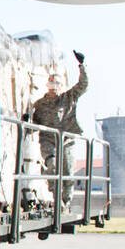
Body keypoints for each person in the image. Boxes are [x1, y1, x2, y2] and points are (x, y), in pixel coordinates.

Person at [31, 51, 88, 207]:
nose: (53, 86)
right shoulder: (40, 104)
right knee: (52, 166)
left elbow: (83, 85)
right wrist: (27, 120)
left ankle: (66, 199)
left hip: (66, 140)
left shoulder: (68, 98)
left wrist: (82, 66)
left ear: (61, 86)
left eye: (56, 83)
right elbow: (33, 124)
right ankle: (56, 198)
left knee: (68, 172)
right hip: (48, 140)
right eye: (50, 82)